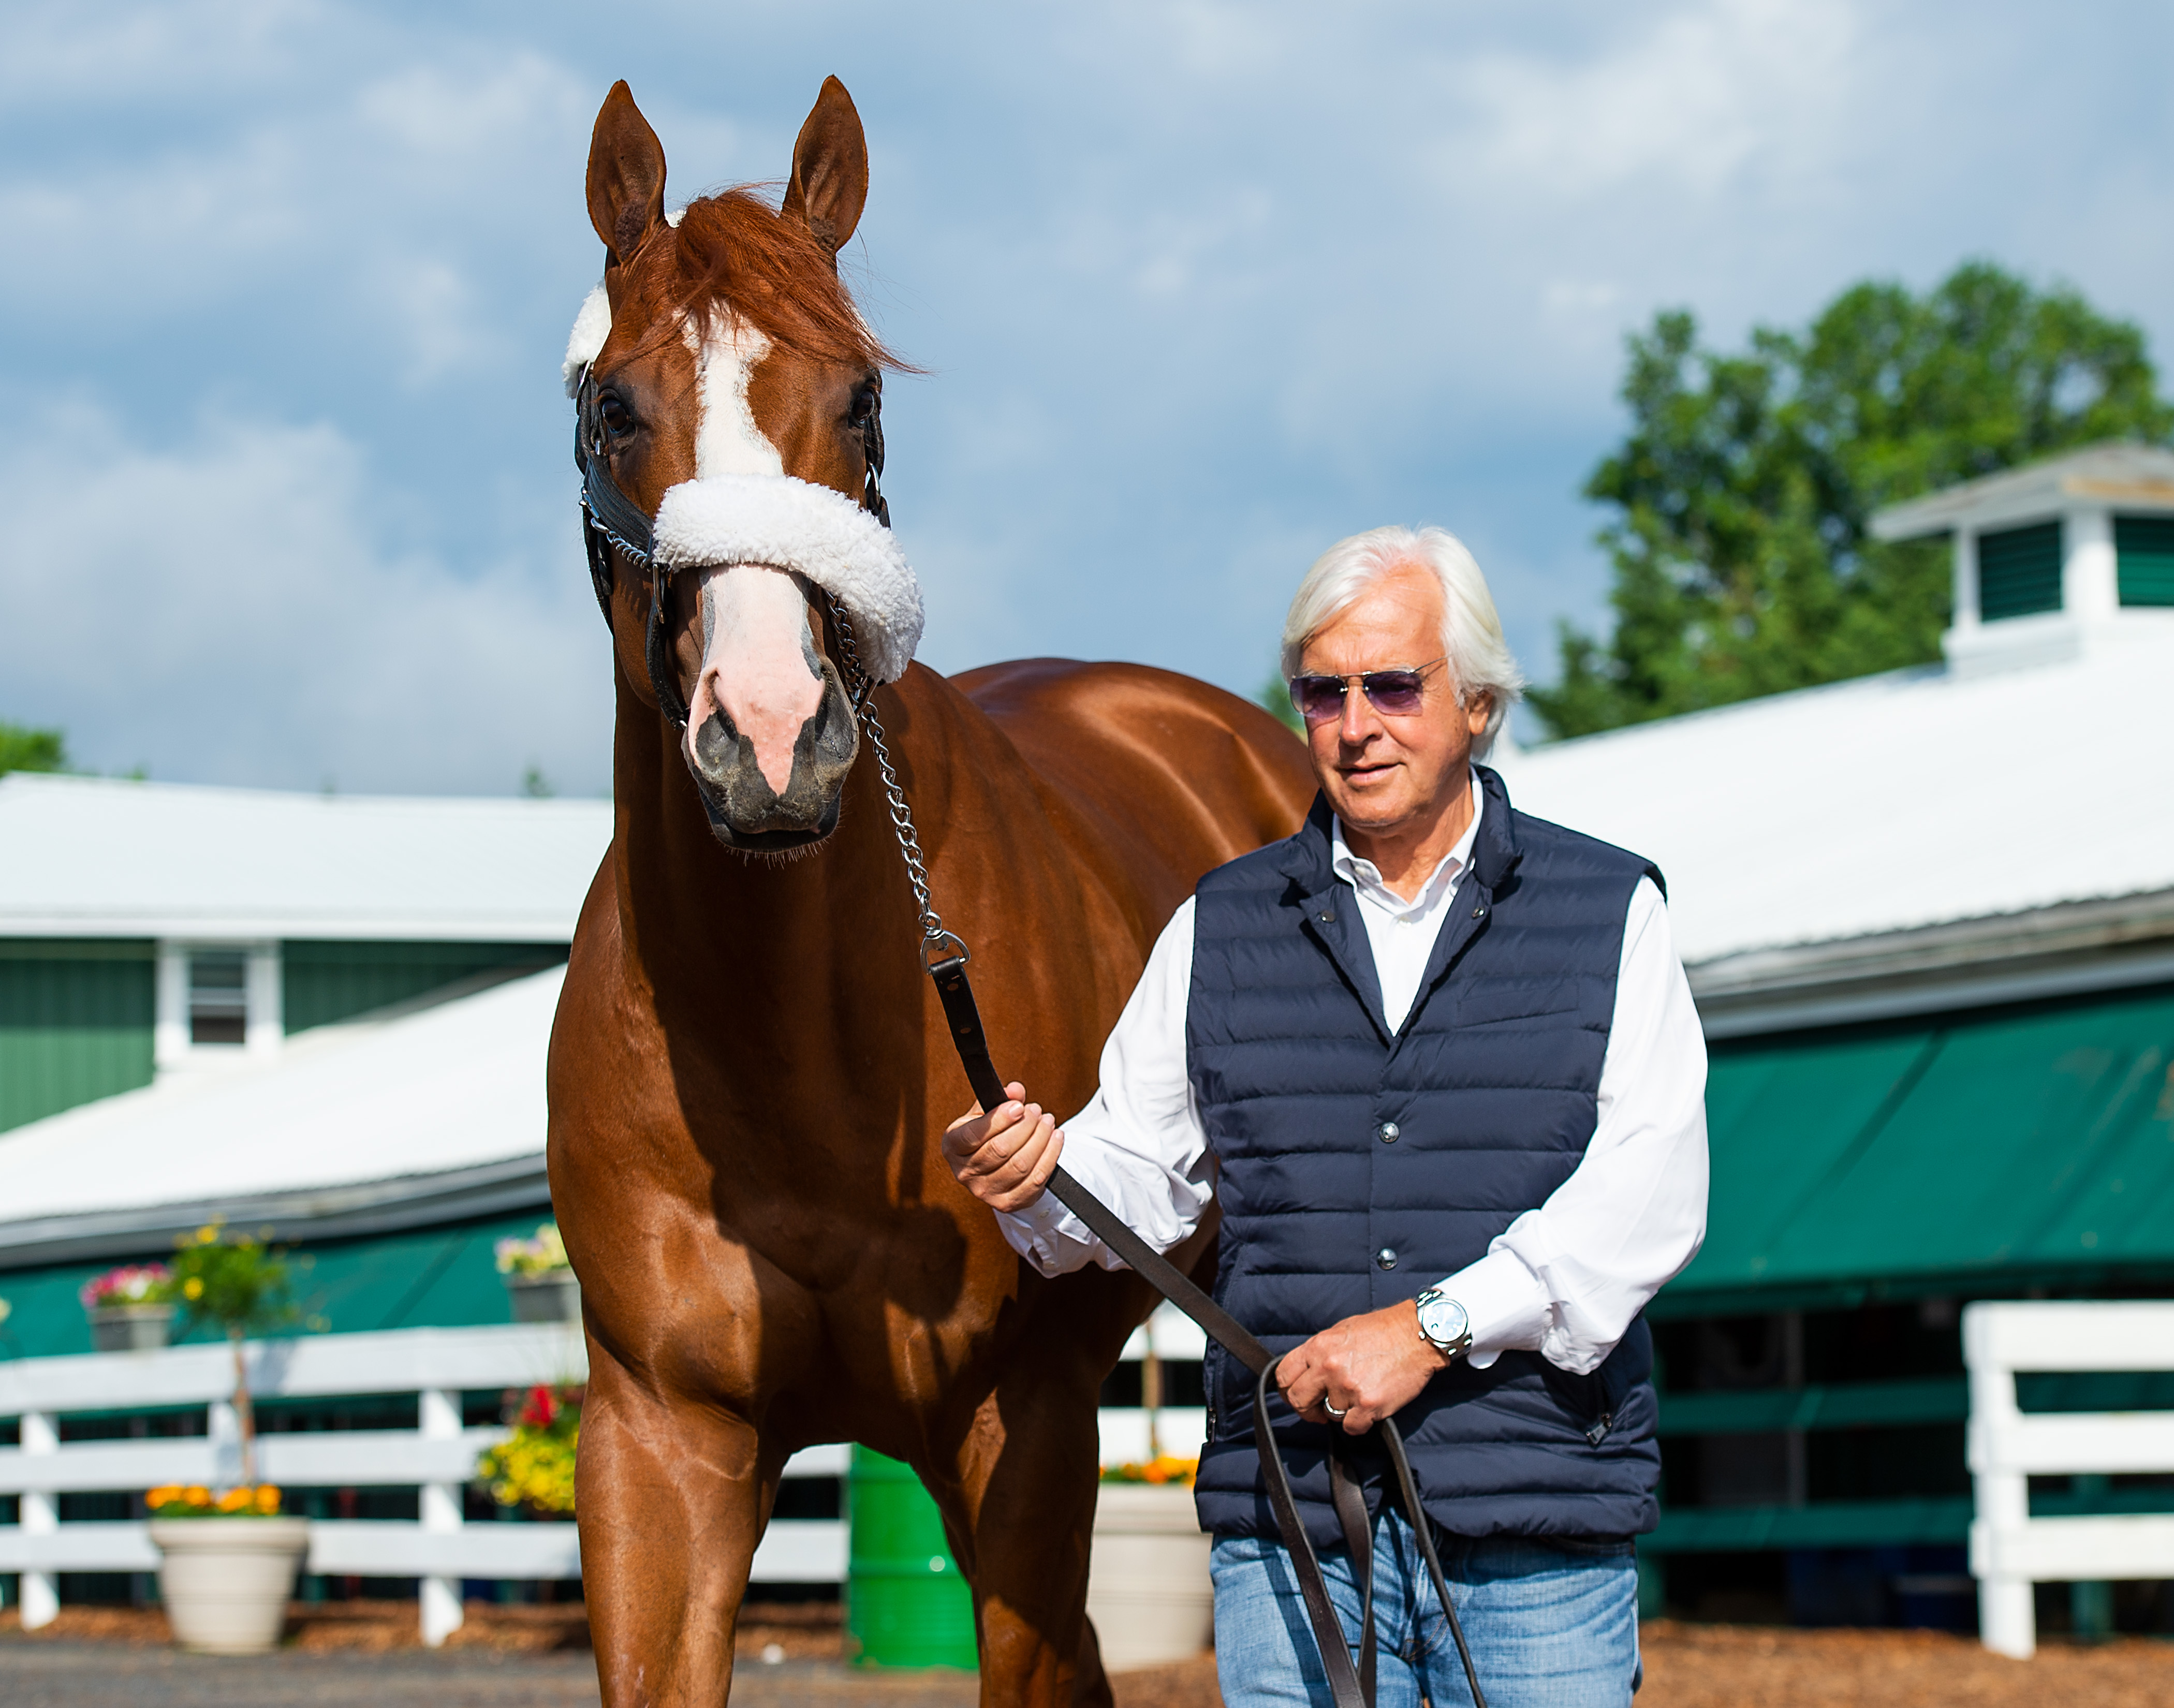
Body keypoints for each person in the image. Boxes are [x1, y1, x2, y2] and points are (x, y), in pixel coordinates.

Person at [943, 524, 1707, 1708]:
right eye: (1323, 692)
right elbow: (1139, 1169)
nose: (1358, 725)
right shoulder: (1218, 925)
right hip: (1292, 1529)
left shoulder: (1612, 910)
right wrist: (1042, 1174)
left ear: (1481, 706)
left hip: (1534, 1527)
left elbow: (1649, 1197)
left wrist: (1432, 1327)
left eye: (1396, 685)